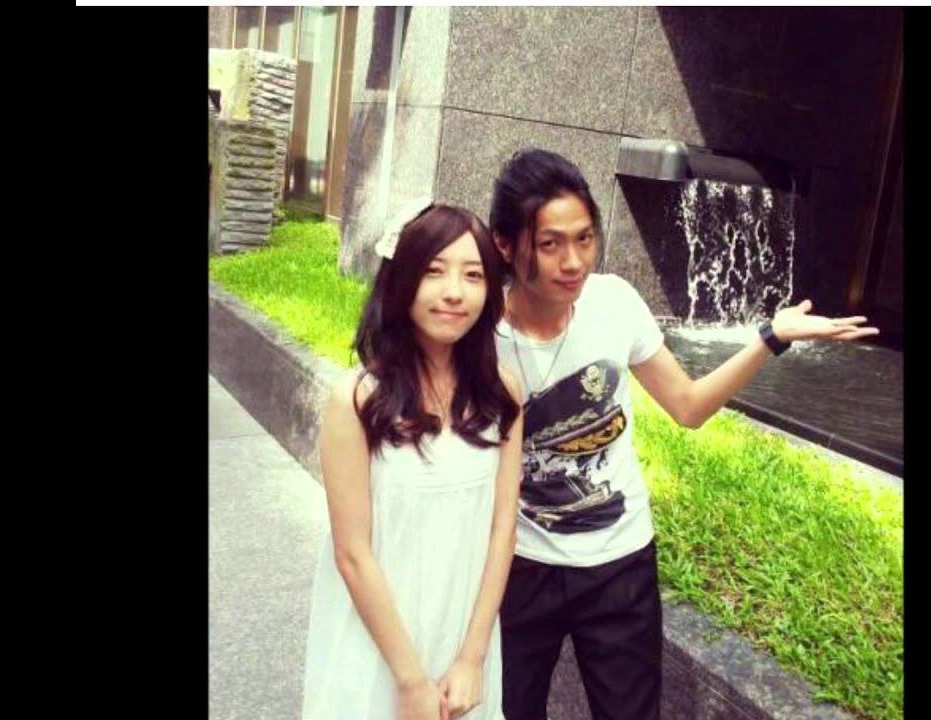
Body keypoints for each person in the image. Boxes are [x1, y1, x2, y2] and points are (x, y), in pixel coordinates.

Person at [488, 149, 879, 720]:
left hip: (619, 564)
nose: (573, 262)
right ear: (505, 245)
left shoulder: (614, 302)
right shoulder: (482, 335)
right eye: (550, 244)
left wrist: (771, 337)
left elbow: (689, 408)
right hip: (520, 566)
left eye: (585, 239)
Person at [302, 201, 524, 720]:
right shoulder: (358, 400)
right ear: (401, 282)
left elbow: (503, 526)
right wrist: (411, 681)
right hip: (379, 645)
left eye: (473, 275)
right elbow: (352, 554)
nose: (454, 292)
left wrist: (472, 657)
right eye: (434, 271)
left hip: (463, 638)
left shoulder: (502, 395)